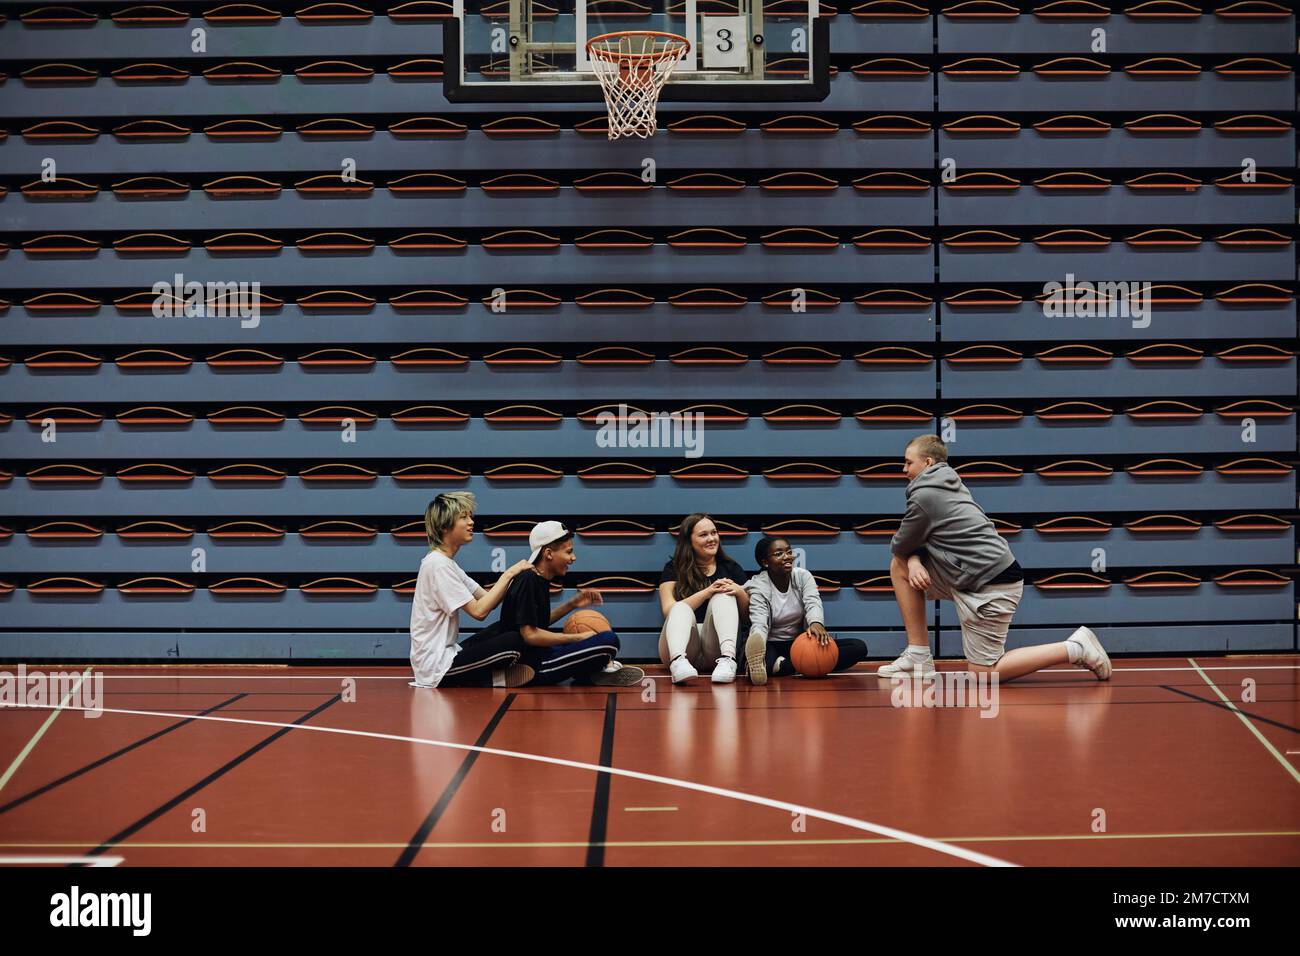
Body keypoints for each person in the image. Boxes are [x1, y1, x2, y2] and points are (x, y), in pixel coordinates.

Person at [881, 434, 1111, 682]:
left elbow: (901, 543)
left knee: (984, 675)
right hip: (970, 575)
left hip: (992, 584)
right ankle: (918, 656)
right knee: (901, 567)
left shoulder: (926, 496)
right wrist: (914, 562)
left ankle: (1075, 647)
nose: (904, 469)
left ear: (927, 463)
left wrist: (912, 556)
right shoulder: (945, 483)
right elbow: (913, 544)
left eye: (908, 463)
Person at [409, 491, 537, 689]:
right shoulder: (437, 565)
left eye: (470, 516)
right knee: (513, 639)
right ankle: (490, 679)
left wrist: (521, 579)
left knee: (504, 628)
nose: (471, 522)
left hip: (448, 653)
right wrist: (509, 573)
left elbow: (487, 598)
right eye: (463, 517)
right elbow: (479, 611)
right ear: (444, 526)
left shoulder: (447, 563)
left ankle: (488, 675)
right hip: (436, 667)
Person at [497, 520, 646, 686]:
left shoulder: (538, 579)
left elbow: (538, 622)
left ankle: (593, 673)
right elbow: (530, 635)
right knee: (609, 641)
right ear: (548, 554)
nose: (573, 558)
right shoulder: (528, 579)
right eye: (569, 552)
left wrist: (572, 604)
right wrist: (577, 637)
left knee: (600, 641)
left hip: (539, 655)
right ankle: (599, 668)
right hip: (533, 666)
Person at [743, 535, 869, 684]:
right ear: (765, 562)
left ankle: (786, 666)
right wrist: (758, 641)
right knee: (762, 663)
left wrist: (816, 622)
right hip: (770, 643)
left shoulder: (803, 576)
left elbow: (813, 601)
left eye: (789, 552)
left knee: (857, 647)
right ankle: (799, 665)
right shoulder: (758, 586)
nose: (787, 557)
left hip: (801, 642)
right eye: (778, 554)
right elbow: (759, 621)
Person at [658, 512, 749, 684]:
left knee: (724, 595)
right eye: (703, 535)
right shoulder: (673, 568)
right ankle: (678, 662)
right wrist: (707, 592)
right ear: (689, 541)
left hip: (715, 648)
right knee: (680, 607)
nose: (711, 539)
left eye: (714, 533)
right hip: (680, 647)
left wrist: (740, 592)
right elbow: (668, 610)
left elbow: (746, 617)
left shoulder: (731, 568)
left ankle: (728, 660)